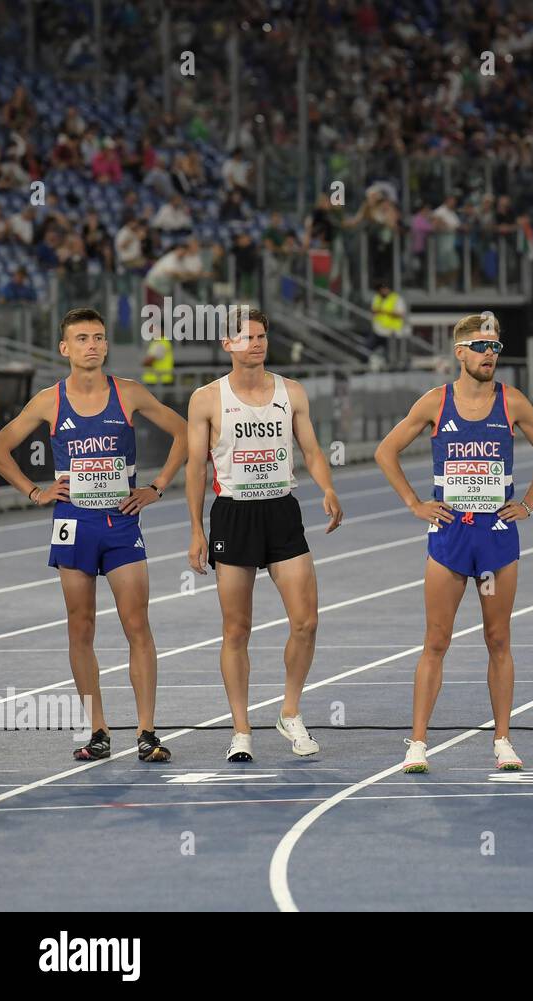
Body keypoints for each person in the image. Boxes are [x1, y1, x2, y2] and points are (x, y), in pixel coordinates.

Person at [0, 307, 187, 761]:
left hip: (121, 523)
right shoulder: (49, 400)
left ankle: (147, 732)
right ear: (65, 348)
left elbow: (184, 433)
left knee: (137, 625)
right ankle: (98, 731)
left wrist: (156, 487)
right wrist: (33, 492)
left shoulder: (129, 393)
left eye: (98, 337)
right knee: (80, 628)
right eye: (81, 339)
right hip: (74, 522)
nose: (92, 345)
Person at [376, 313, 533, 773]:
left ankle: (502, 741)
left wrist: (530, 502)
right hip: (450, 535)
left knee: (498, 638)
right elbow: (385, 451)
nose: (489, 355)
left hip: (496, 536)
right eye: (481, 347)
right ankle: (417, 744)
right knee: (436, 640)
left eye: (496, 348)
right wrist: (415, 503)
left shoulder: (512, 402)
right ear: (460, 353)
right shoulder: (435, 403)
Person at [185, 306, 344, 762]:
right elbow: (196, 468)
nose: (255, 343)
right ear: (227, 345)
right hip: (233, 514)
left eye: (261, 336)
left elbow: (311, 449)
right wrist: (196, 528)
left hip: (281, 511)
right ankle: (241, 729)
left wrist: (327, 487)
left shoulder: (291, 392)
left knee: (306, 621)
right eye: (245, 337)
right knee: (237, 629)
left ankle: (289, 711)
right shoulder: (207, 399)